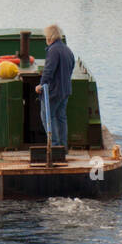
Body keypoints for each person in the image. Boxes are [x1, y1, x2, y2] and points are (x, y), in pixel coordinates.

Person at [35, 24, 75, 153]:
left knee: (47, 116)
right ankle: (63, 147)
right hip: (65, 90)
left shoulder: (53, 51)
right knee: (61, 117)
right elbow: (72, 67)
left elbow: (48, 71)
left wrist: (41, 85)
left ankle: (55, 146)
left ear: (49, 37)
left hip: (53, 92)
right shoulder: (67, 50)